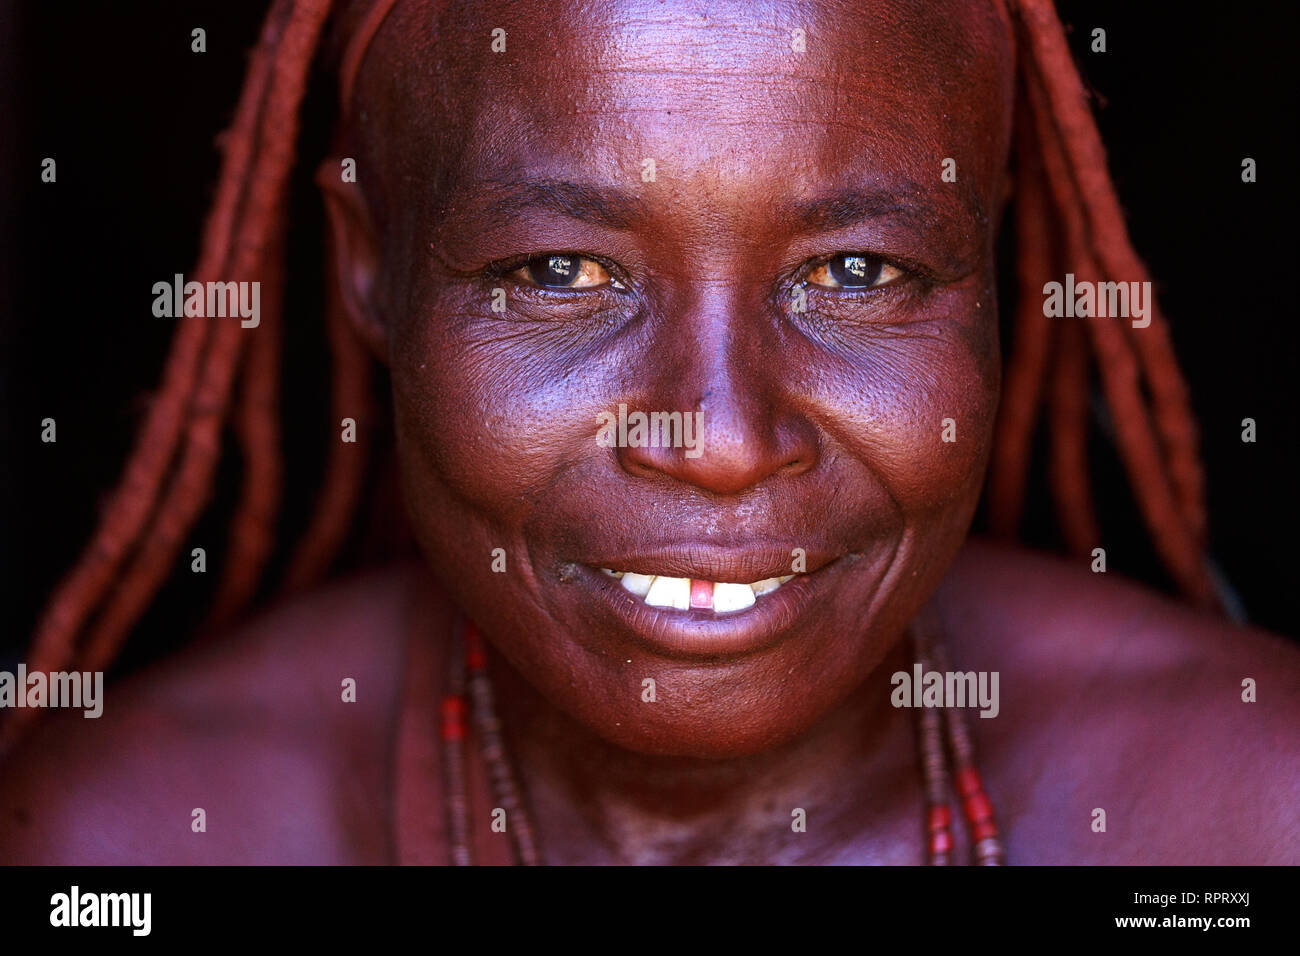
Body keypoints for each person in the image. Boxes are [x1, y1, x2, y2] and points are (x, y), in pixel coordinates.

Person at [1, 0, 1296, 865]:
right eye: (562, 271)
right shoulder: (138, 839)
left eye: (856, 273)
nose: (724, 440)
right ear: (369, 269)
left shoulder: (1244, 807)